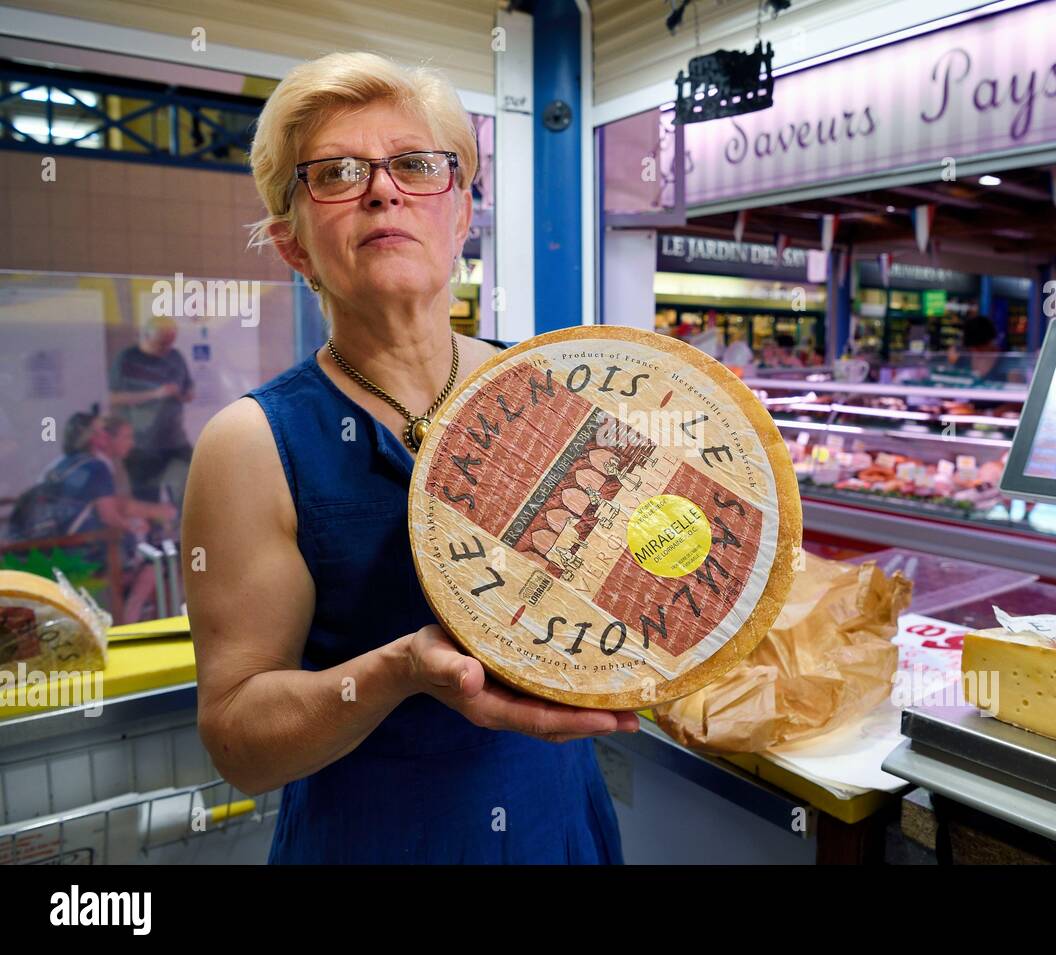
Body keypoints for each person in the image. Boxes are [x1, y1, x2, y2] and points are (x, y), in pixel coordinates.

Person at [181, 51, 636, 865]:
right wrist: (400, 670)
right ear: (292, 245)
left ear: (461, 212)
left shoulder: (551, 389)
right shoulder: (252, 444)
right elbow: (239, 741)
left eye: (417, 166)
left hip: (557, 824)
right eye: (337, 172)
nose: (383, 189)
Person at [8, 409, 176, 622]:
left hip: (38, 550)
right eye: (102, 431)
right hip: (73, 552)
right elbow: (110, 516)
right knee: (155, 559)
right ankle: (131, 615)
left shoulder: (61, 463)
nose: (106, 434)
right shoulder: (96, 467)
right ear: (95, 439)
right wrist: (135, 526)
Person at [108, 316, 195, 507]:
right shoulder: (127, 359)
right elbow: (114, 398)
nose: (165, 349)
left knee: (191, 496)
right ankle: (153, 536)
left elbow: (189, 390)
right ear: (144, 336)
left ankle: (185, 535)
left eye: (170, 343)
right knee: (147, 502)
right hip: (141, 445)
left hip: (175, 441)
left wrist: (183, 395)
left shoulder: (176, 356)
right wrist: (155, 394)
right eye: (161, 344)